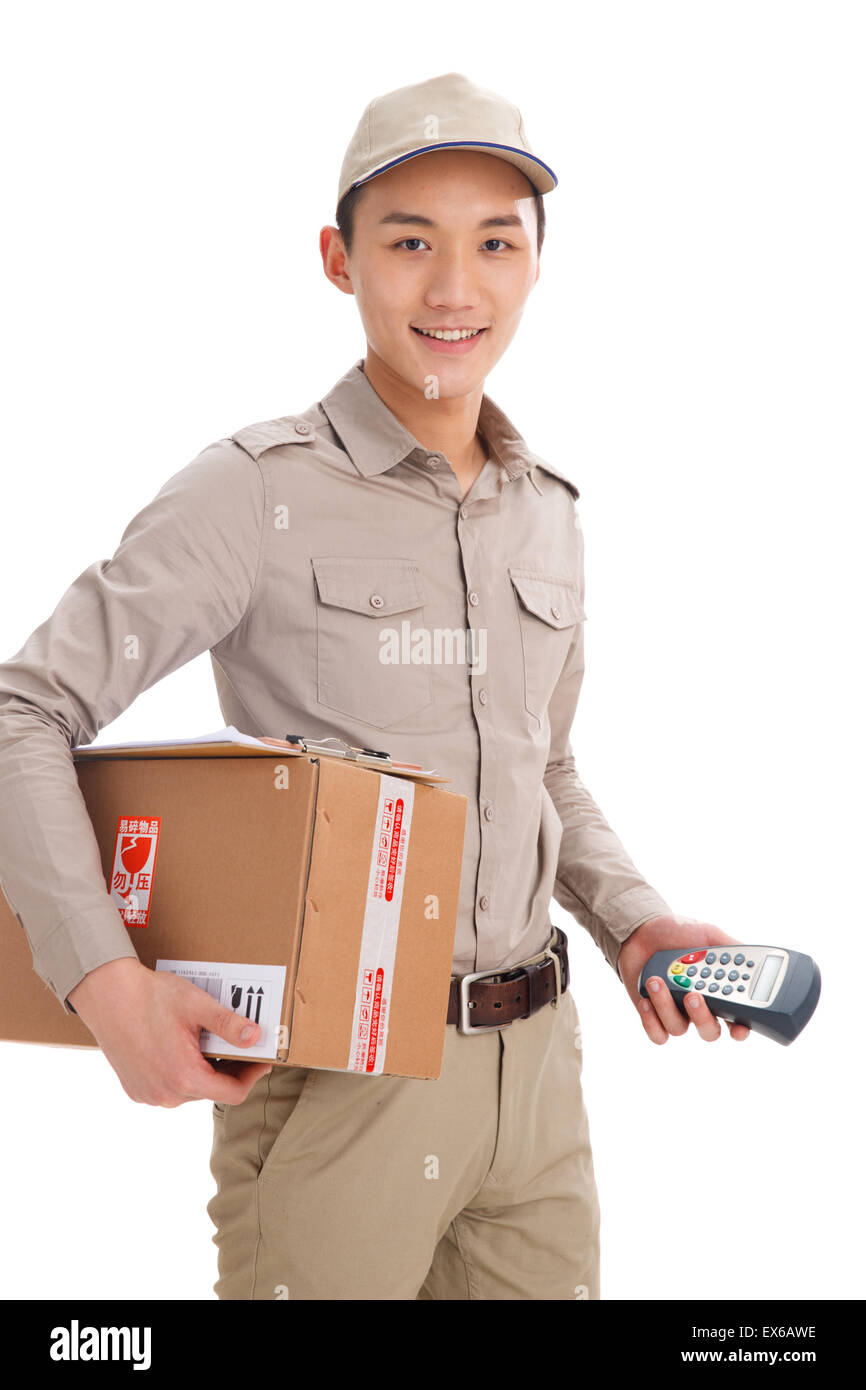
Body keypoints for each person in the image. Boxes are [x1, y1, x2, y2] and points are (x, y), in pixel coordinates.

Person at [0, 72, 748, 1302]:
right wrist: (102, 982)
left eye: (493, 243)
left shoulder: (544, 512)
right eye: (409, 243)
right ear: (338, 262)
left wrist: (634, 923)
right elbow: (26, 707)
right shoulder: (250, 494)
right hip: (339, 1088)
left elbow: (540, 768)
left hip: (540, 1085)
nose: (454, 288)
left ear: (535, 264)